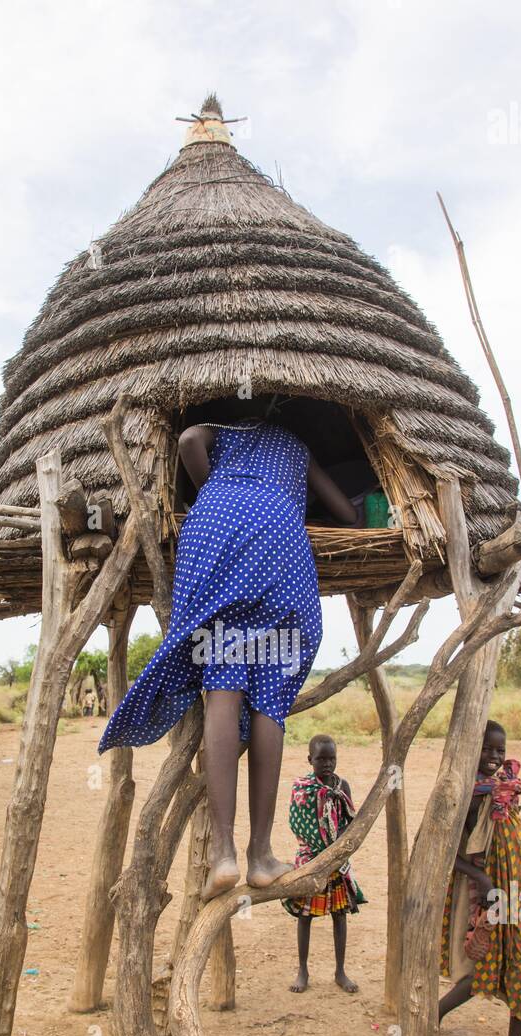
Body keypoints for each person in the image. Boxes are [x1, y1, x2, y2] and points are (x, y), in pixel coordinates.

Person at [97, 396, 357, 900]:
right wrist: (306, 502)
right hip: (279, 536)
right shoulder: (296, 448)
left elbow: (189, 439)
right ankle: (261, 854)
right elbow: (347, 512)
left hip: (212, 528)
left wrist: (209, 487)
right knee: (270, 698)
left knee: (222, 685)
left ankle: (223, 853)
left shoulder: (227, 433)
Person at [438, 720, 521, 1036]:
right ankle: (432, 1018)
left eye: (499, 750)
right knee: (479, 969)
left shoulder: (506, 790)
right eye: (486, 749)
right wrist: (481, 877)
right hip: (484, 896)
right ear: (472, 748)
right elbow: (444, 851)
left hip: (514, 894)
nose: (494, 757)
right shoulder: (467, 796)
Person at [284, 734, 366, 993]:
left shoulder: (343, 786)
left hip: (337, 860)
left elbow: (350, 821)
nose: (327, 764)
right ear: (310, 760)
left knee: (339, 915)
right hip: (311, 859)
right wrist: (319, 849)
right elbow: (296, 822)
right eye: (321, 759)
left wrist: (338, 848)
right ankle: (302, 970)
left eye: (332, 759)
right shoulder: (302, 788)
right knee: (304, 915)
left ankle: (340, 971)